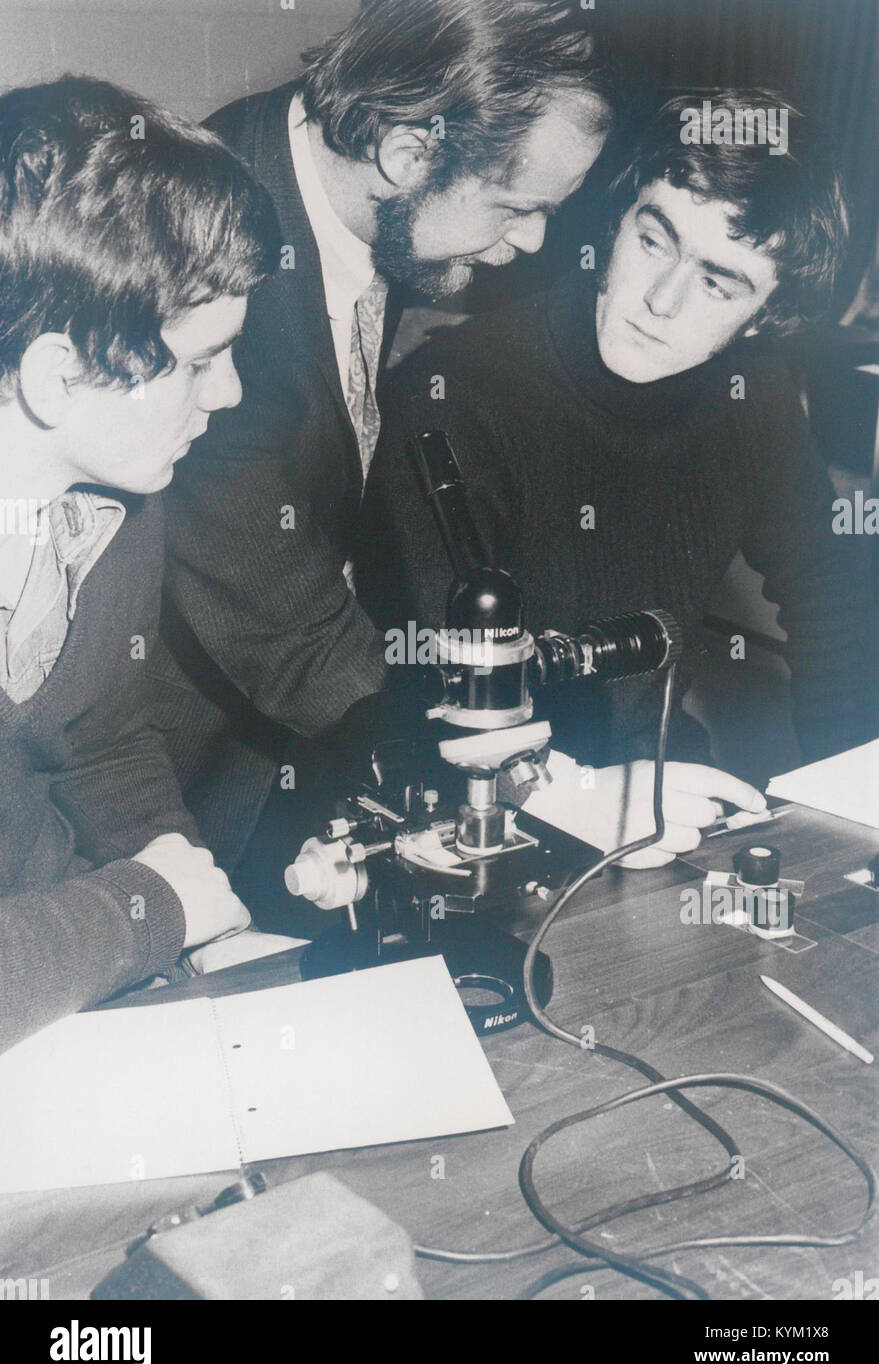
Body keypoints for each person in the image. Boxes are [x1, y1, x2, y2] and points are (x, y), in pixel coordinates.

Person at [149, 0, 616, 879]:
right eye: (516, 207)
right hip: (171, 775)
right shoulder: (204, 259)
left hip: (284, 717)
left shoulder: (350, 189)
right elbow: (280, 613)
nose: (531, 241)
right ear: (408, 153)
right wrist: (536, 780)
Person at [356, 90, 878, 859]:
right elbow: (441, 698)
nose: (659, 301)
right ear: (616, 220)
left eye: (716, 283)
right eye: (654, 239)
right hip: (480, 811)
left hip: (659, 785)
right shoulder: (454, 396)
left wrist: (854, 815)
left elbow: (832, 603)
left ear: (764, 318)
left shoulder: (754, 397)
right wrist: (589, 794)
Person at [0, 76, 279, 1051]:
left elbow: (107, 747)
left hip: (71, 997)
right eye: (200, 362)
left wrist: (211, 934)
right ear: (57, 377)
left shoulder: (118, 500)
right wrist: (149, 908)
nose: (232, 393)